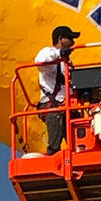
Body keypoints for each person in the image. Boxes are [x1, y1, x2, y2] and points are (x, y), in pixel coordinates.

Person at [33, 25, 81, 154]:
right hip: (51, 104)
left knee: (79, 123)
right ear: (60, 39)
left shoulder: (68, 62)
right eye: (70, 38)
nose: (73, 42)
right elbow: (39, 61)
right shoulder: (48, 52)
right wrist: (59, 53)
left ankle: (79, 151)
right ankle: (53, 152)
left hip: (68, 105)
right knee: (56, 115)